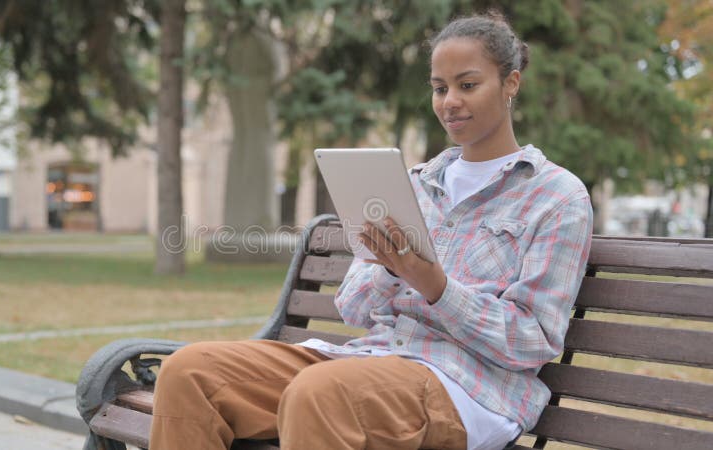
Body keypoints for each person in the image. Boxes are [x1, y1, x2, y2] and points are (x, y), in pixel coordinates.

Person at [150, 11, 592, 450]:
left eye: (468, 85)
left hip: (471, 389)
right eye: (440, 88)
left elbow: (533, 340)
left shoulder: (556, 197)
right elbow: (354, 307)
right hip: (373, 360)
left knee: (321, 392)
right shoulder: (415, 183)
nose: (449, 101)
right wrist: (391, 270)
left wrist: (437, 288)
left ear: (510, 83)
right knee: (190, 372)